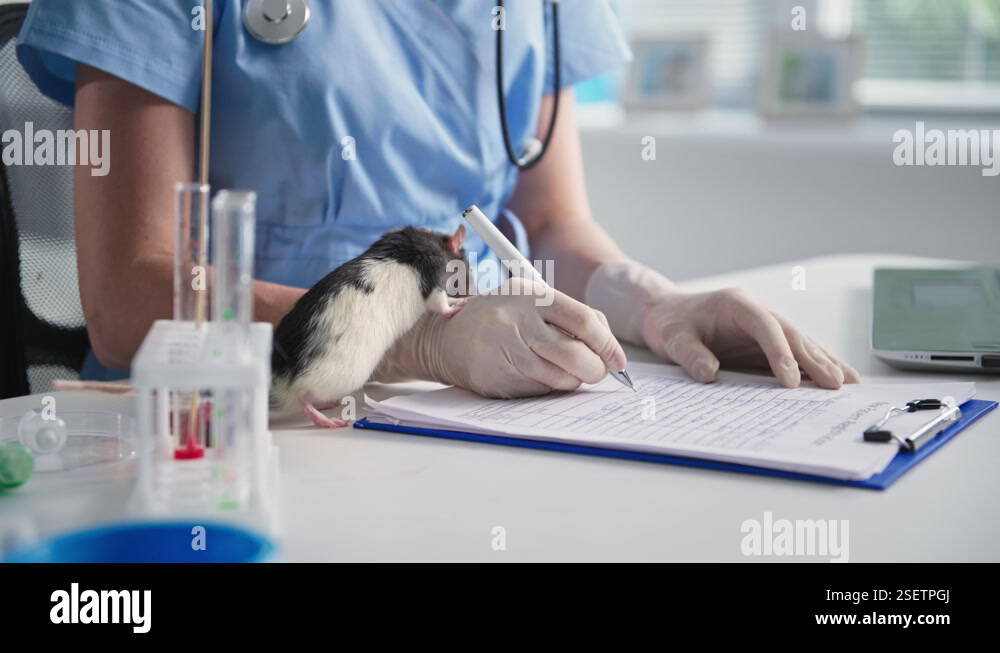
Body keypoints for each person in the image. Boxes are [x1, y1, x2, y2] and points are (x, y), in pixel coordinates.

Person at [16, 0, 858, 398]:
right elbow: (131, 293)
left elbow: (554, 225)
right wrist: (414, 342)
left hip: (475, 413)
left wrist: (654, 303)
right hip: (225, 425)